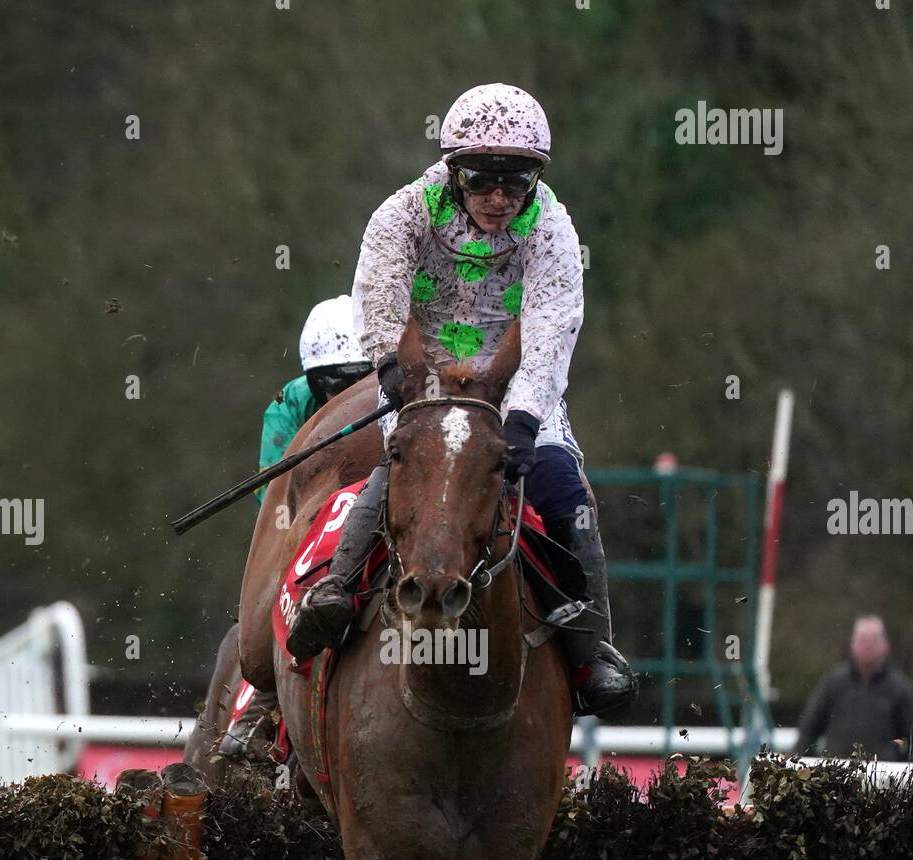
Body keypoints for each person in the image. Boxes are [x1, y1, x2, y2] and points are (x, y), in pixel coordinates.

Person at [285, 83, 637, 717]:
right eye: (481, 180)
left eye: (516, 181)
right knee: (400, 465)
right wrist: (392, 365)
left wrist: (526, 417)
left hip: (515, 379)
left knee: (561, 481)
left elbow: (554, 329)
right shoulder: (402, 214)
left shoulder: (553, 228)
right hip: (427, 374)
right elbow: (380, 292)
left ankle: (595, 649)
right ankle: (337, 588)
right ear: (453, 173)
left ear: (535, 181)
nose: (498, 198)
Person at [221, 296, 372, 757]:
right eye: (332, 383)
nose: (345, 395)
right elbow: (275, 504)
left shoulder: (396, 392)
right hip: (309, 520)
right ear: (312, 381)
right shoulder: (289, 405)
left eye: (357, 380)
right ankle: (263, 699)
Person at [255, 294, 372, 502]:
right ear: (315, 382)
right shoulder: (288, 405)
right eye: (339, 383)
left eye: (367, 379)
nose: (356, 394)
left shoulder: (405, 387)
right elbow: (273, 498)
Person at [794, 615, 913, 760]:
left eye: (873, 640)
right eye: (863, 640)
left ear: (886, 646)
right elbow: (809, 727)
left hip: (884, 776)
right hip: (836, 773)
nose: (868, 645)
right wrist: (800, 765)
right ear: (852, 645)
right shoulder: (834, 683)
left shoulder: (900, 688)